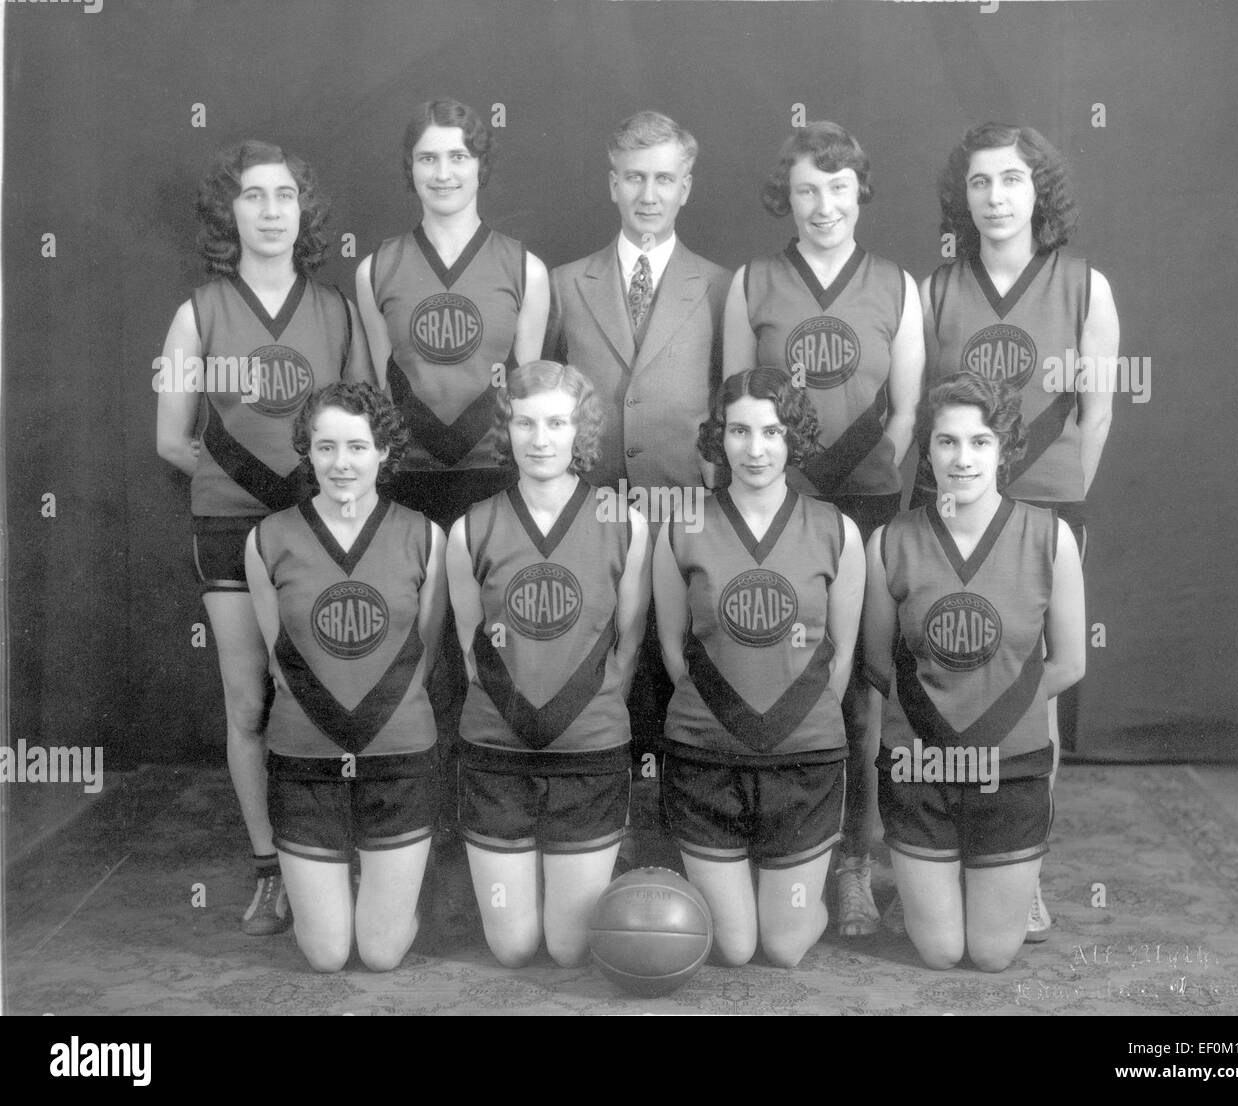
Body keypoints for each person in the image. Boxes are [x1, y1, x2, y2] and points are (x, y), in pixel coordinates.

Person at [156, 140, 371, 935]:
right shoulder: (197, 312)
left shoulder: (338, 310)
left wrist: (305, 504)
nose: (272, 211)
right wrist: (258, 493)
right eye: (254, 196)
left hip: (320, 531)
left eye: (285, 196)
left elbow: (356, 430)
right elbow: (172, 439)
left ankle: (336, 857)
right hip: (231, 527)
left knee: (326, 697)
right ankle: (271, 869)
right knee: (250, 701)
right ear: (230, 212)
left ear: (303, 212)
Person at [915, 122, 1119, 939]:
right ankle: (939, 844)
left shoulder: (1083, 286)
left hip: (1045, 509)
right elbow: (929, 415)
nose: (995, 198)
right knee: (956, 664)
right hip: (952, 507)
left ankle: (1023, 867)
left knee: (1033, 689)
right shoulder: (936, 289)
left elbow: (1097, 414)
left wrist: (1055, 515)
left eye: (1011, 180)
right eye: (979, 183)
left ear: (1041, 191)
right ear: (961, 199)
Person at [723, 121, 924, 936]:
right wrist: (788, 493)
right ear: (788, 196)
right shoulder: (753, 281)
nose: (823, 205)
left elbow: (907, 412)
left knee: (860, 688)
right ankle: (762, 840)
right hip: (774, 510)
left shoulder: (898, 284)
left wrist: (850, 495)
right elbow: (735, 396)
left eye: (838, 188)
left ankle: (855, 861)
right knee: (767, 664)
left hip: (865, 509)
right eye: (807, 189)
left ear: (859, 192)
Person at [355, 99, 550, 928]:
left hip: (490, 486)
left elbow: (533, 398)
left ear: (480, 167)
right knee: (415, 659)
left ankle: (496, 826)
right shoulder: (375, 269)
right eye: (429, 158)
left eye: (459, 157)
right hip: (407, 490)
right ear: (411, 169)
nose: (444, 172)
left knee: (492, 656)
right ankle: (420, 832)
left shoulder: (522, 266)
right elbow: (376, 394)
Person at [544, 110, 730, 866]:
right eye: (634, 178)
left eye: (664, 179)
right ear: (611, 183)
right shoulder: (562, 284)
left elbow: (726, 400)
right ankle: (598, 831)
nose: (648, 194)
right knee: (597, 664)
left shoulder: (721, 286)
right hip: (594, 510)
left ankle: (690, 834)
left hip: (684, 506)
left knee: (679, 665)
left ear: (685, 187)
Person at [864, 372, 1085, 971]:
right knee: (938, 952)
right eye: (947, 442)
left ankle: (986, 876)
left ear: (1004, 448)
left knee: (991, 955)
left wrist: (989, 720)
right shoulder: (889, 540)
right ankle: (927, 875)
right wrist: (939, 721)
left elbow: (1069, 661)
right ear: (928, 449)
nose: (962, 459)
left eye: (980, 442)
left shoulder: (1051, 538)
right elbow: (877, 659)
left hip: (1009, 769)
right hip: (919, 764)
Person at [654, 367, 865, 967]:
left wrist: (790, 723)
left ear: (791, 437)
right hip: (705, 757)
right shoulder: (683, 522)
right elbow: (674, 646)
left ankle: (796, 899)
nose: (755, 449)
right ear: (718, 437)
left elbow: (842, 655)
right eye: (739, 431)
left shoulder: (837, 530)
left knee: (783, 946)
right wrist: (724, 717)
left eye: (771, 432)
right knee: (736, 948)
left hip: (804, 761)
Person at [445, 361, 650, 967]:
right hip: (497, 752)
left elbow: (628, 644)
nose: (540, 439)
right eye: (525, 423)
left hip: (587, 753)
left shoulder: (625, 522)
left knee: (568, 950)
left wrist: (581, 712)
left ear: (580, 430)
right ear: (505, 429)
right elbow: (468, 647)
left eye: (557, 423)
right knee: (511, 949)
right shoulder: (469, 529)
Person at [244, 382, 445, 971]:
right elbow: (278, 654)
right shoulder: (268, 538)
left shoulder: (425, 535)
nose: (341, 463)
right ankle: (344, 886)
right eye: (325, 446)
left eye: (357, 446)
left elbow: (424, 652)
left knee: (381, 954)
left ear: (385, 451)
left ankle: (397, 886)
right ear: (307, 450)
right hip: (305, 762)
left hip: (399, 758)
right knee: (328, 955)